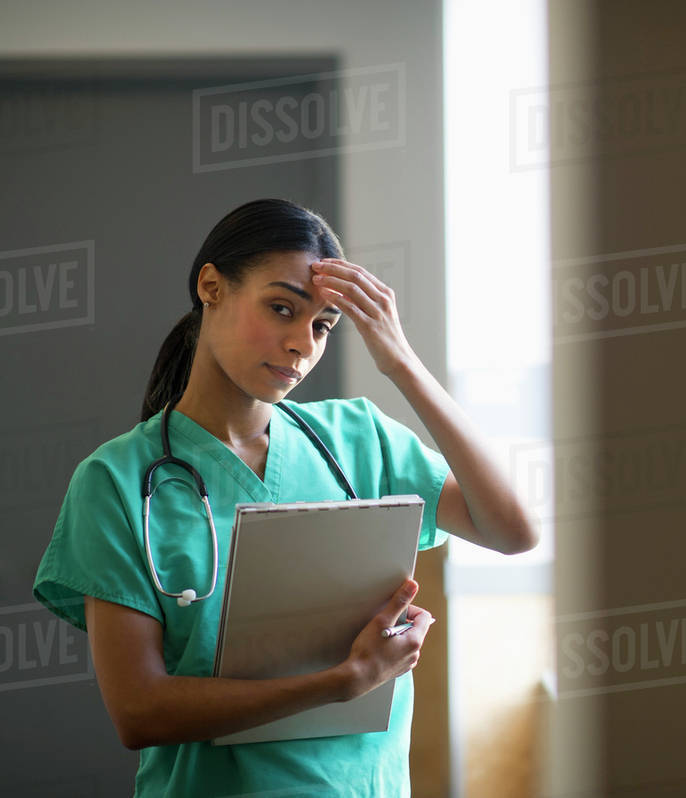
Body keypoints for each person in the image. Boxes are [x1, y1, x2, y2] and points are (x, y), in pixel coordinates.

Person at [31, 198, 537, 797]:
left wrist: (400, 362)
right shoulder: (115, 480)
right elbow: (140, 712)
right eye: (281, 309)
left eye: (323, 325)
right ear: (212, 287)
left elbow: (513, 531)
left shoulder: (361, 440)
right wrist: (341, 683)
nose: (302, 343)